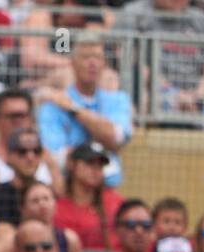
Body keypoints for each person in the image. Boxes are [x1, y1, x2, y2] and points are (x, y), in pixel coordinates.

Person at [36, 33, 132, 190]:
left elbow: (116, 138)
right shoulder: (53, 105)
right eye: (86, 57)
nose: (92, 63)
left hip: (108, 189)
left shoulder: (118, 100)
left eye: (97, 58)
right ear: (73, 63)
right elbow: (55, 157)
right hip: (67, 190)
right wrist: (101, 134)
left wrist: (74, 109)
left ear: (104, 64)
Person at [112, 0, 204, 122]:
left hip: (195, 96)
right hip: (153, 91)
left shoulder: (200, 20)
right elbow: (131, 65)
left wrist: (197, 96)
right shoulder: (135, 14)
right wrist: (174, 94)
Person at [0, 90, 58, 192]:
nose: (18, 122)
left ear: (31, 119)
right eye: (12, 116)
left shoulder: (44, 153)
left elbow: (60, 193)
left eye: (22, 116)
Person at [54, 141, 123, 252]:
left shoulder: (115, 201)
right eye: (89, 162)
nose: (96, 169)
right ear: (71, 164)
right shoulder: (56, 207)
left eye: (100, 165)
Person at [0, 128, 52, 229]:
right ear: (9, 156)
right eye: (22, 151)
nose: (30, 157)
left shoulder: (48, 192)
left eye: (36, 151)